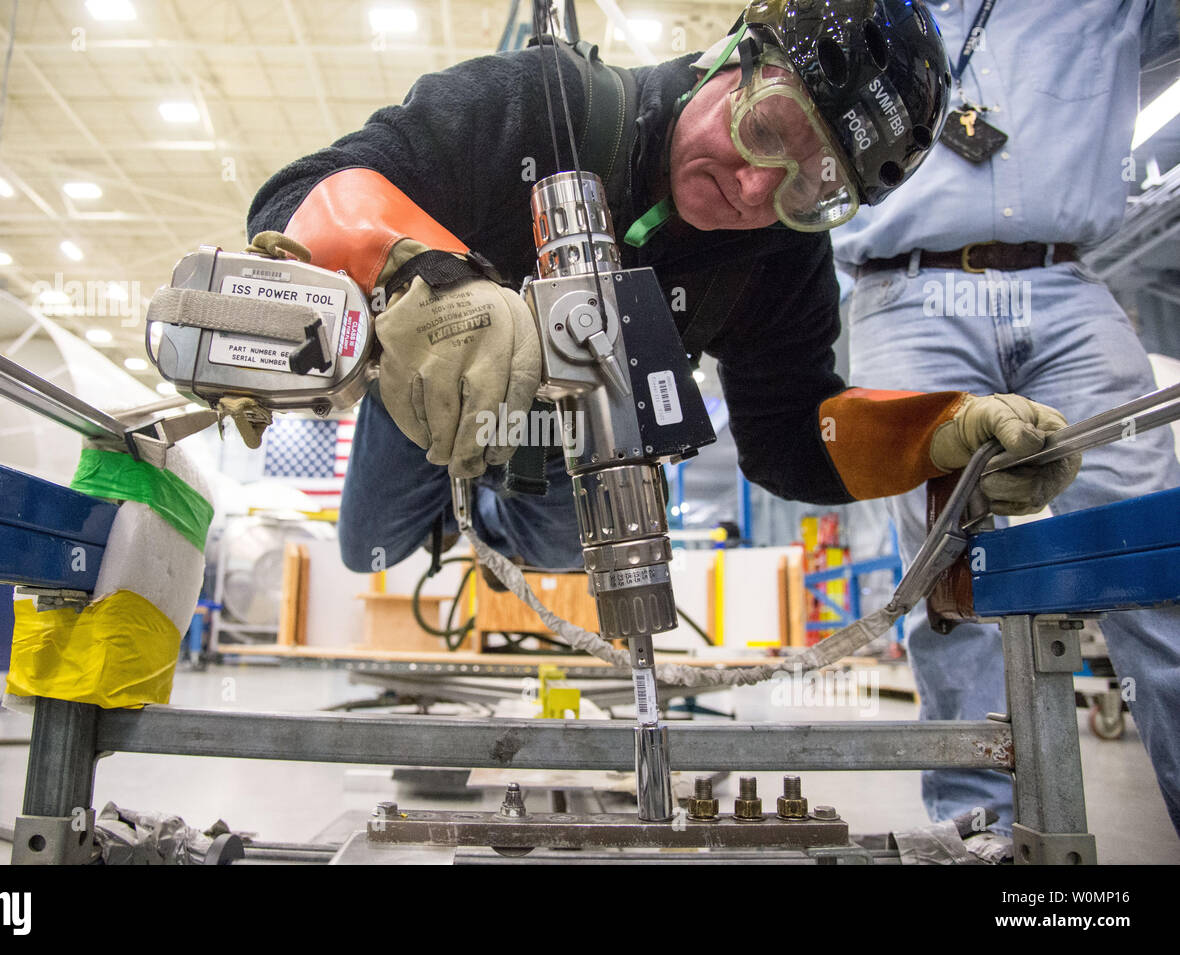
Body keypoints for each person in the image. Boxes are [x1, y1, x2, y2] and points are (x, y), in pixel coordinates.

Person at [246, 2, 1074, 633]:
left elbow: (790, 437)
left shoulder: (778, 260)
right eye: (768, 128)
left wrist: (935, 438)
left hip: (569, 435)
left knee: (562, 550)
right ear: (733, 56)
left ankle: (489, 528)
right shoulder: (548, 101)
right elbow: (300, 190)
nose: (758, 189)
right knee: (373, 549)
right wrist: (417, 276)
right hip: (428, 375)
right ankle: (442, 477)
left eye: (811, 188)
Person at [832, 0, 1180, 838]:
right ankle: (979, 830)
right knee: (947, 580)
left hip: (1068, 286)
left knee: (1161, 560)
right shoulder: (855, 13)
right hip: (907, 291)